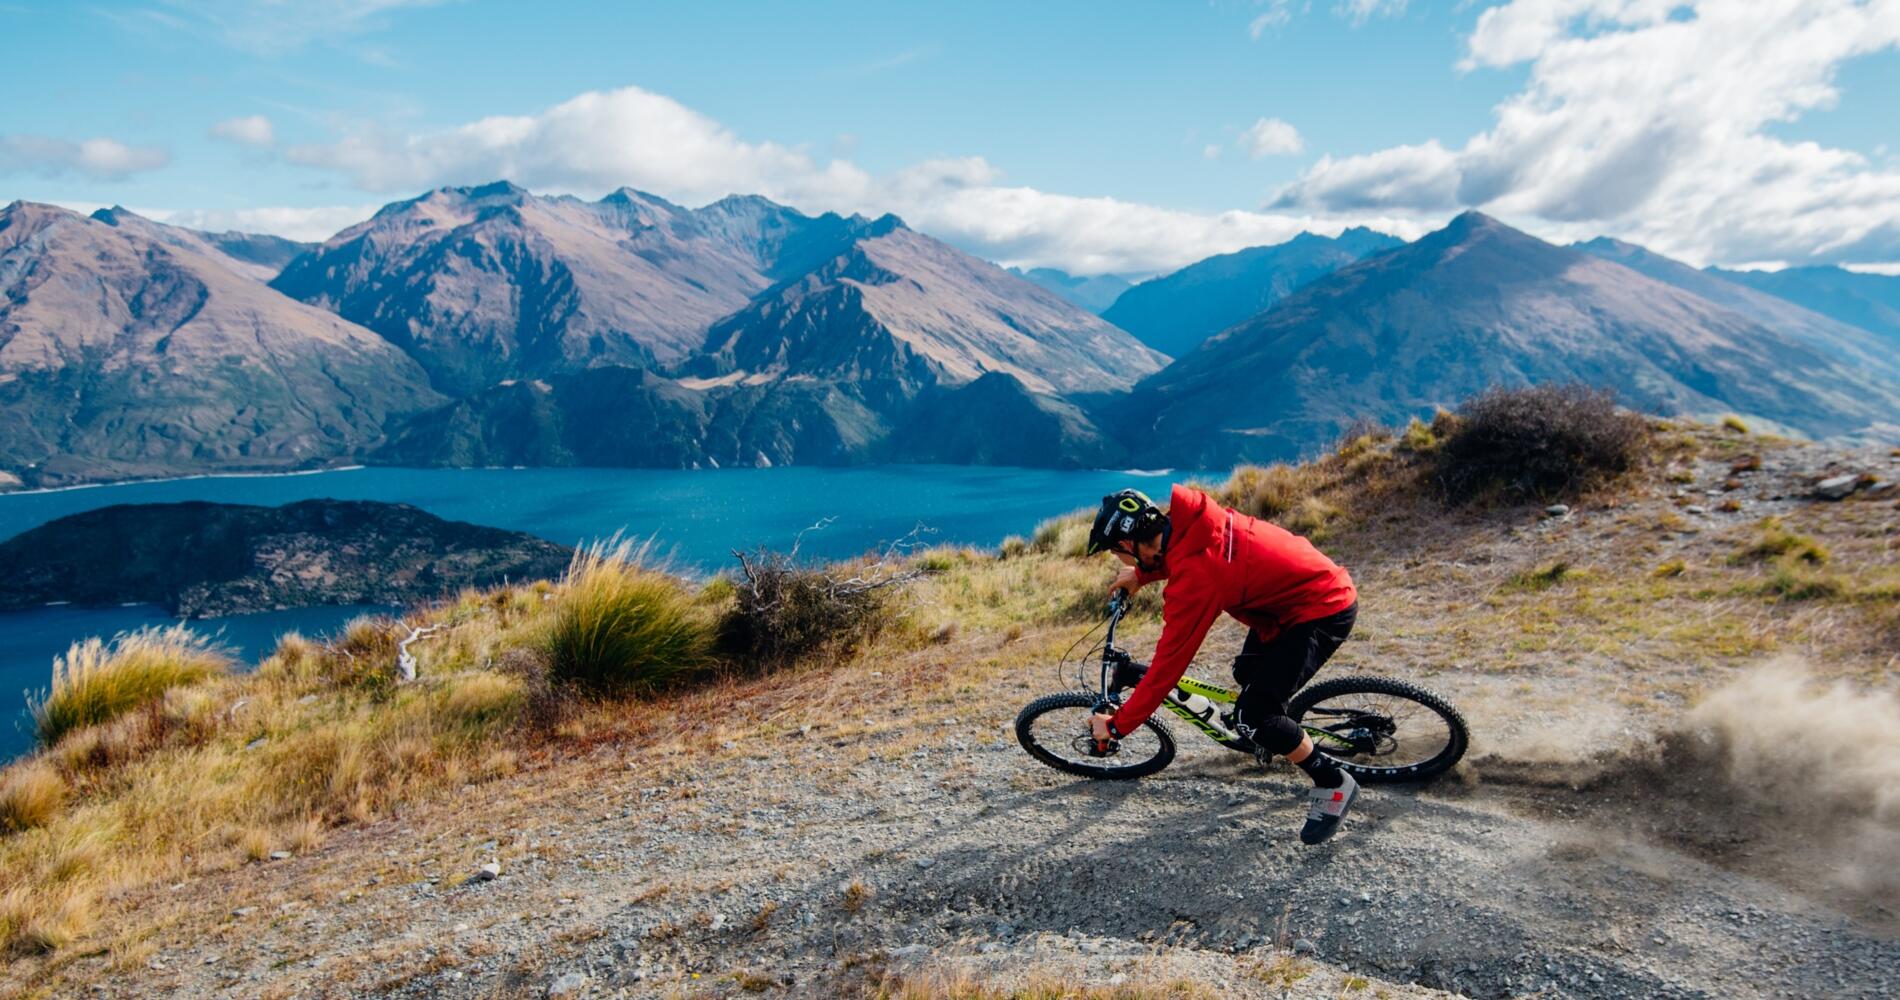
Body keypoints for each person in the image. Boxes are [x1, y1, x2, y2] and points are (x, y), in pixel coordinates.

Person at [1085, 486, 1361, 844]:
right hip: (1291, 602)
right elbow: (1191, 554)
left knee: (1254, 715)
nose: (1120, 560)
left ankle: (1333, 781)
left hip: (1321, 609)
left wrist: (1119, 726)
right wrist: (1144, 575)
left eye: (1116, 553)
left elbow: (1168, 666)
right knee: (1246, 675)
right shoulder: (1195, 524)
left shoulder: (1197, 578)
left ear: (1127, 544)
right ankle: (1279, 733)